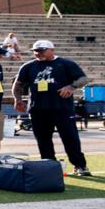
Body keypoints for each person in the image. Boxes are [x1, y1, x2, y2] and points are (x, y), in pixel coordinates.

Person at [13, 40, 91, 177]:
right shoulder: (28, 66)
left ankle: (80, 165)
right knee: (43, 140)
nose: (38, 54)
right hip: (38, 109)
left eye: (42, 50)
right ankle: (49, 166)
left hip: (62, 108)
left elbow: (83, 79)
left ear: (51, 50)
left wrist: (71, 87)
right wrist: (17, 99)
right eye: (36, 51)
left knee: (70, 138)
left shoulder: (65, 63)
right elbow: (18, 84)